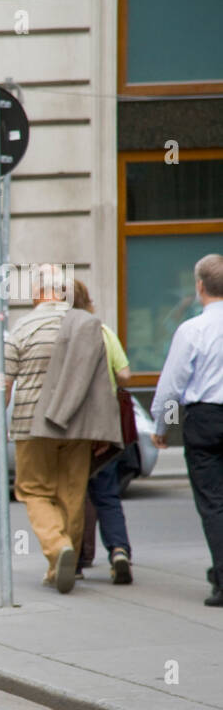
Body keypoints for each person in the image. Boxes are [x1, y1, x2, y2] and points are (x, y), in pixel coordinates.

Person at [0, 263, 121, 593]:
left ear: (37, 294)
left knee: (34, 491)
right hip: (78, 426)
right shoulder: (90, 326)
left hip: (31, 425)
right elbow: (105, 381)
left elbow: (4, 383)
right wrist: (104, 431)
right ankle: (62, 565)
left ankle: (57, 548)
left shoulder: (22, 329)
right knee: (72, 494)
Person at [151, 253, 223, 606]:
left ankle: (222, 578)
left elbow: (171, 388)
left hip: (205, 420)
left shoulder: (192, 329)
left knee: (214, 503)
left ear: (199, 286)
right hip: (207, 418)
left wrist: (164, 427)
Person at [71, 279, 134, 584]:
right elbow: (125, 375)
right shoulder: (103, 331)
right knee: (107, 494)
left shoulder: (65, 333)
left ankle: (76, 561)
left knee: (72, 493)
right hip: (105, 427)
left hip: (73, 428)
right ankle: (119, 551)